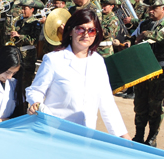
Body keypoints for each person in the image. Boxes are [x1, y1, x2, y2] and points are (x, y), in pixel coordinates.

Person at [26, 9, 130, 139]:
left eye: (91, 30)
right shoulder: (53, 59)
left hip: (86, 137)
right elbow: (36, 90)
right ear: (70, 31)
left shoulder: (98, 61)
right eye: (81, 29)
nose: (86, 35)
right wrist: (36, 102)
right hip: (55, 134)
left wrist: (122, 135)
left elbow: (106, 102)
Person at [130, 0, 164, 146]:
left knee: (155, 105)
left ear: (163, 8)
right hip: (143, 67)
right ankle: (138, 134)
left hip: (160, 69)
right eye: (149, 8)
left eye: (154, 8)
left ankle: (152, 137)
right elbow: (133, 38)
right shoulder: (144, 24)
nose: (150, 11)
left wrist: (147, 34)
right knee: (140, 102)